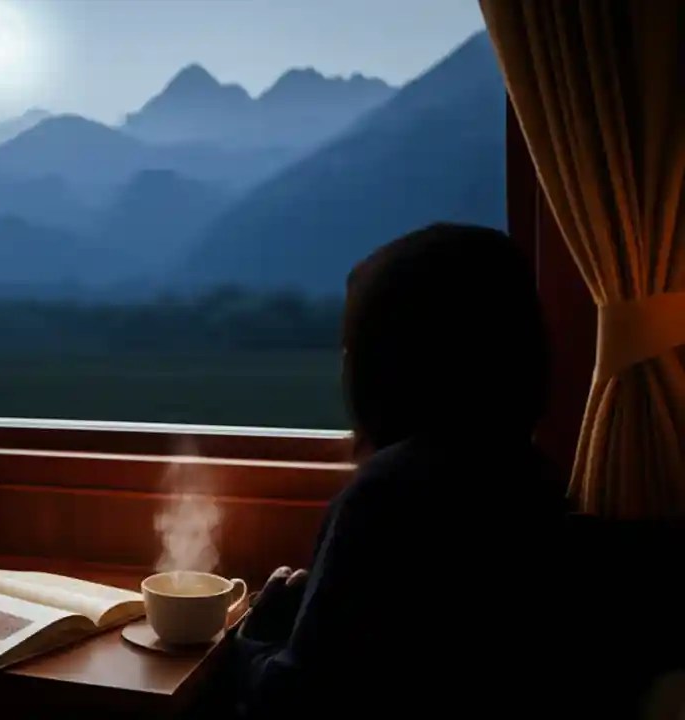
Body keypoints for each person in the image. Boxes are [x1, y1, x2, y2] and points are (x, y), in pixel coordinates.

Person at [225, 223, 579, 717]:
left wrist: (254, 638)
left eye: (354, 348)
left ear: (390, 365)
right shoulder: (535, 477)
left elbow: (295, 702)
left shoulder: (386, 497)